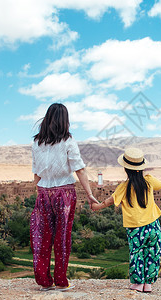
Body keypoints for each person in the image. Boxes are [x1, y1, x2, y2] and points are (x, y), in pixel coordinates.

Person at [31, 103, 98, 291]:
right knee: (62, 238)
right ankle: (61, 281)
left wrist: (37, 189)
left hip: (44, 193)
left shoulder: (36, 142)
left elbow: (36, 172)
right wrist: (90, 194)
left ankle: (44, 281)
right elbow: (80, 169)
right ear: (65, 120)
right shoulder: (68, 140)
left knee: (42, 237)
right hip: (65, 195)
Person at [91, 147, 161, 293]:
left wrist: (97, 207)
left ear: (126, 169)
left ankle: (138, 283)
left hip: (136, 228)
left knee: (137, 253)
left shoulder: (124, 187)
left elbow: (110, 201)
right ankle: (148, 283)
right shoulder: (148, 181)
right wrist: (147, 175)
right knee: (152, 252)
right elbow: (160, 185)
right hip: (154, 225)